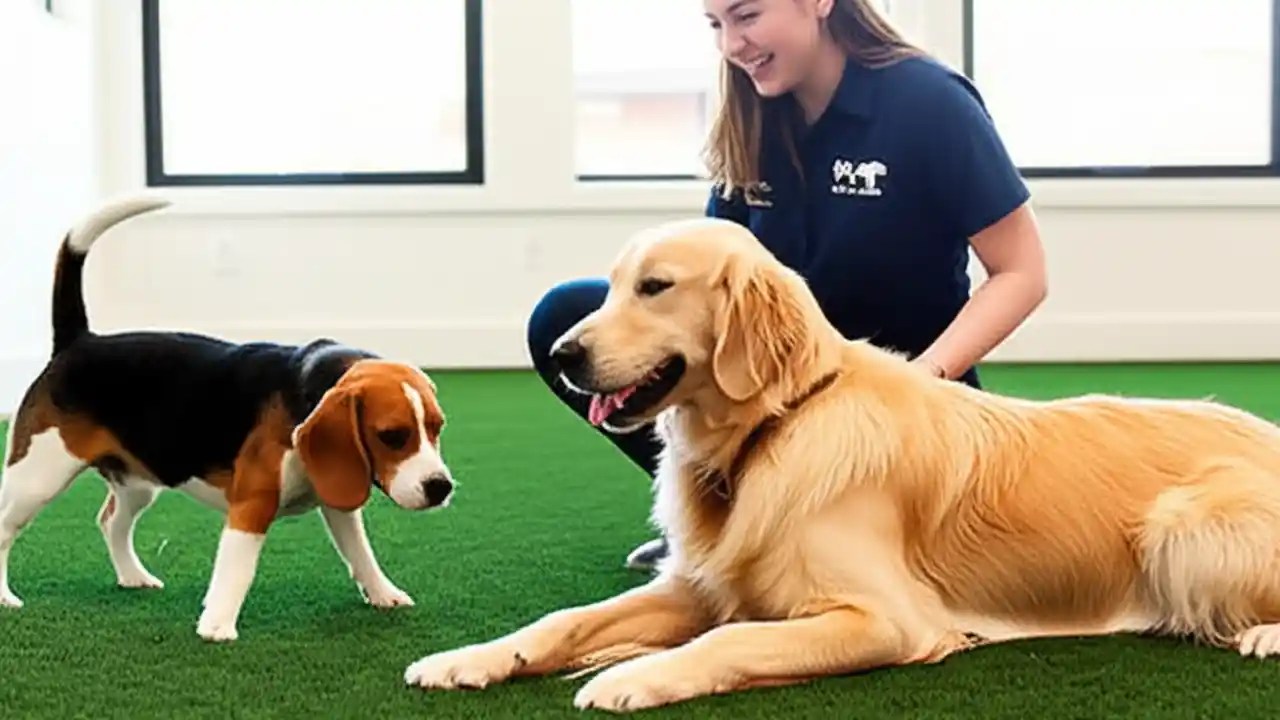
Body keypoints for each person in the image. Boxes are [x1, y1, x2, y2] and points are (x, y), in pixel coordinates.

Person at [525, 0, 1048, 571]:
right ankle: (721, 518)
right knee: (567, 314)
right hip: (779, 396)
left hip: (898, 408)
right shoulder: (749, 115)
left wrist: (922, 377)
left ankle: (793, 529)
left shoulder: (930, 103)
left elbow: (1022, 272)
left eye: (746, 16)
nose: (731, 46)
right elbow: (711, 286)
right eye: (715, 25)